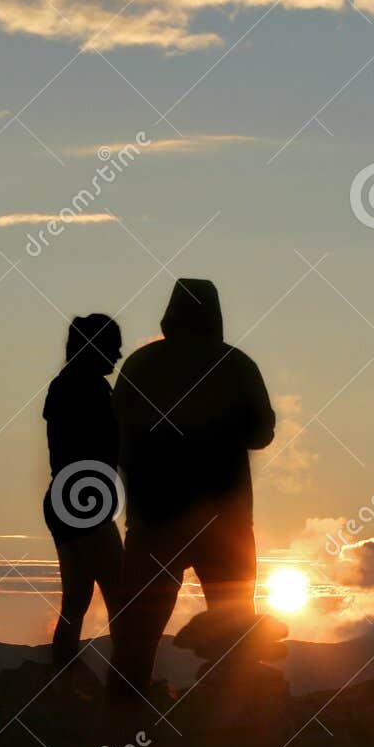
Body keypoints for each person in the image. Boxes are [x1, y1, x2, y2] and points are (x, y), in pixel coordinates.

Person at [110, 279, 275, 694]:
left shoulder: (140, 366)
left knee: (139, 629)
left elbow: (115, 436)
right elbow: (261, 433)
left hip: (154, 515)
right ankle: (236, 719)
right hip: (226, 521)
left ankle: (122, 716)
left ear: (170, 314)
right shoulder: (236, 365)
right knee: (233, 622)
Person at [42, 314, 124, 668]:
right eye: (113, 347)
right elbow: (111, 444)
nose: (118, 355)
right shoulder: (89, 389)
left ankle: (63, 683)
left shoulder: (65, 385)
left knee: (75, 601)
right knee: (120, 598)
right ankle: (126, 685)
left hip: (65, 499)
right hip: (83, 501)